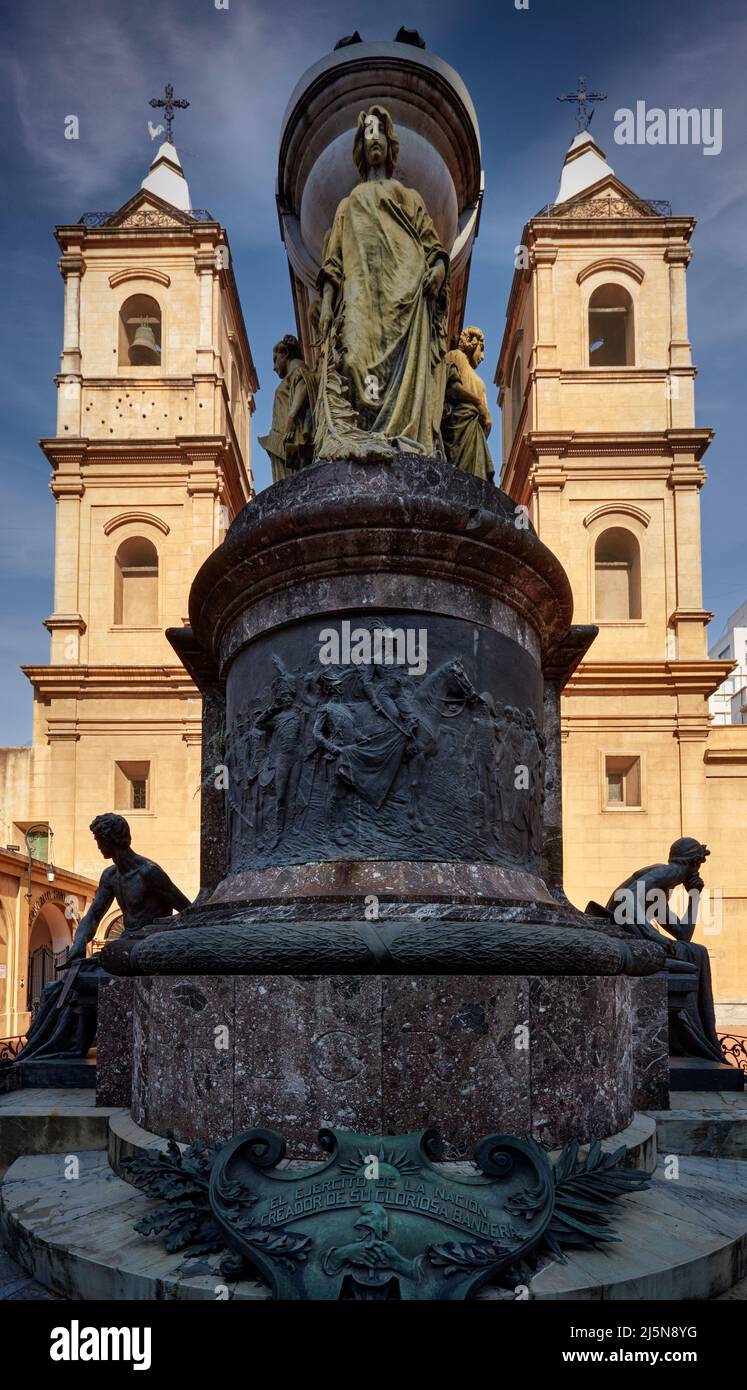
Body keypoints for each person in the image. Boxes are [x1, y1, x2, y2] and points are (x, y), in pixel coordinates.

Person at [314, 105, 450, 461]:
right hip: (360, 297)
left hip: (405, 296)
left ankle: (396, 438)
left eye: (380, 134)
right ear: (362, 146)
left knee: (399, 374)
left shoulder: (410, 197)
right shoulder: (349, 204)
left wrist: (438, 269)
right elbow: (334, 262)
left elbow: (432, 245)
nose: (374, 141)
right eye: (367, 134)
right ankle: (365, 436)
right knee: (355, 360)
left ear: (390, 147)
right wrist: (328, 304)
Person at [4, 814, 190, 1064]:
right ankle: (54, 1051)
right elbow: (92, 916)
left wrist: (162, 937)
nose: (98, 845)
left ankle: (59, 1050)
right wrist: (78, 944)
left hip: (146, 951)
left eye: (99, 840)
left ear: (112, 840)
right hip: (125, 949)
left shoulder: (149, 873)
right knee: (55, 988)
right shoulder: (111, 876)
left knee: (73, 984)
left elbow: (187, 911)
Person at [601, 837, 725, 1064]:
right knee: (693, 957)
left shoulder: (664, 887)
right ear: (695, 862)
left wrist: (694, 896)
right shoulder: (668, 872)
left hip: (633, 939)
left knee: (693, 952)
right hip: (625, 938)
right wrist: (653, 936)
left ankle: (689, 1035)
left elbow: (683, 934)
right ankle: (692, 1036)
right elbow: (627, 900)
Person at [259, 335, 317, 481]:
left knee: (291, 482)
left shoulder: (299, 371)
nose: (274, 367)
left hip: (289, 441)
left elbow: (303, 387)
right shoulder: (293, 375)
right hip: (283, 442)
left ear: (286, 354)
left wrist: (291, 420)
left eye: (275, 359)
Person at [441, 326, 494, 481]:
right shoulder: (455, 356)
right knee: (461, 474)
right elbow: (452, 388)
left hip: (476, 435)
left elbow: (487, 418)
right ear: (472, 343)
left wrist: (485, 419)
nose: (482, 356)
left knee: (477, 478)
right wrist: (478, 404)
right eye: (481, 349)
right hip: (458, 427)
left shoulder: (480, 383)